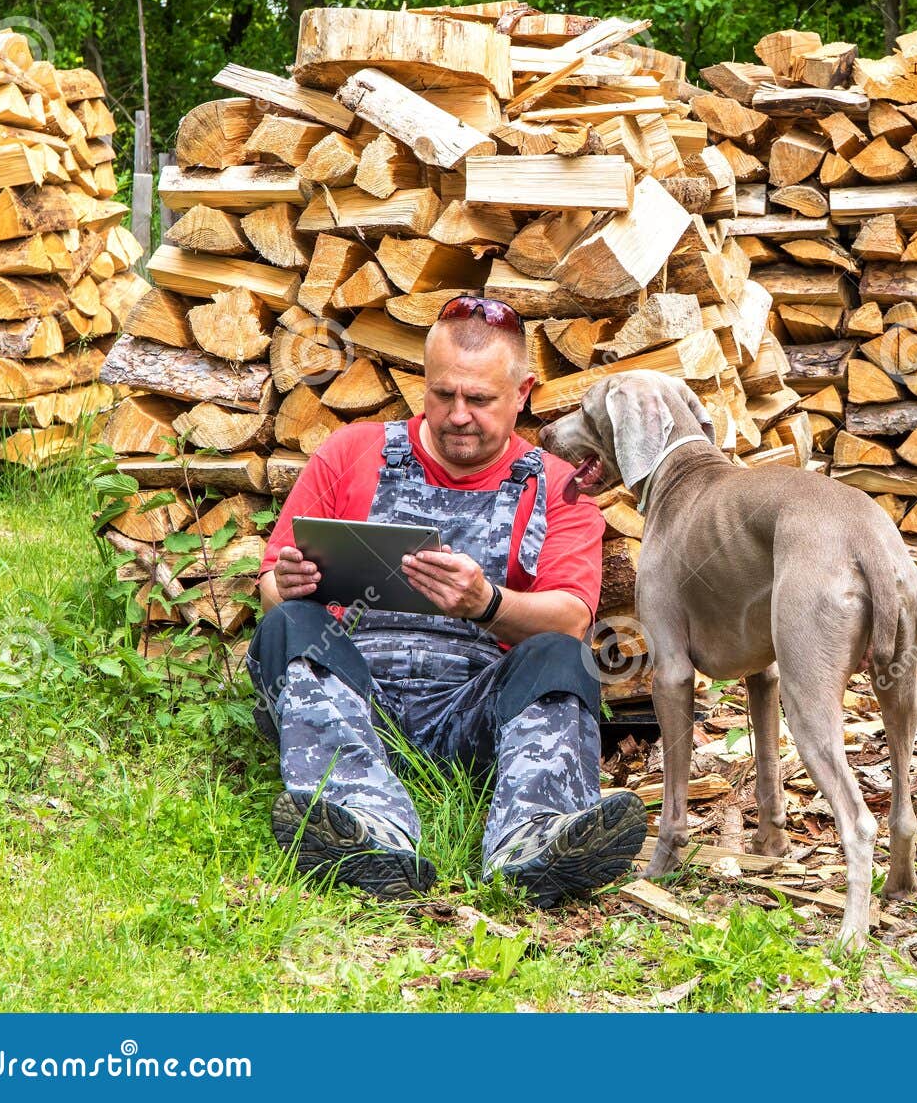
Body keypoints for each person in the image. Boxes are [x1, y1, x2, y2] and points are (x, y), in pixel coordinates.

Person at [246, 295, 646, 906]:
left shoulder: (557, 488)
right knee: (285, 627)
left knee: (564, 656)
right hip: (355, 699)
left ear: (523, 393)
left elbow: (570, 615)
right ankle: (368, 831)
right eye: (442, 395)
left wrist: (486, 603)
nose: (458, 415)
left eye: (480, 399)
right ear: (423, 386)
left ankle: (532, 843)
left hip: (474, 714)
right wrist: (290, 585)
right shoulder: (352, 452)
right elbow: (272, 587)